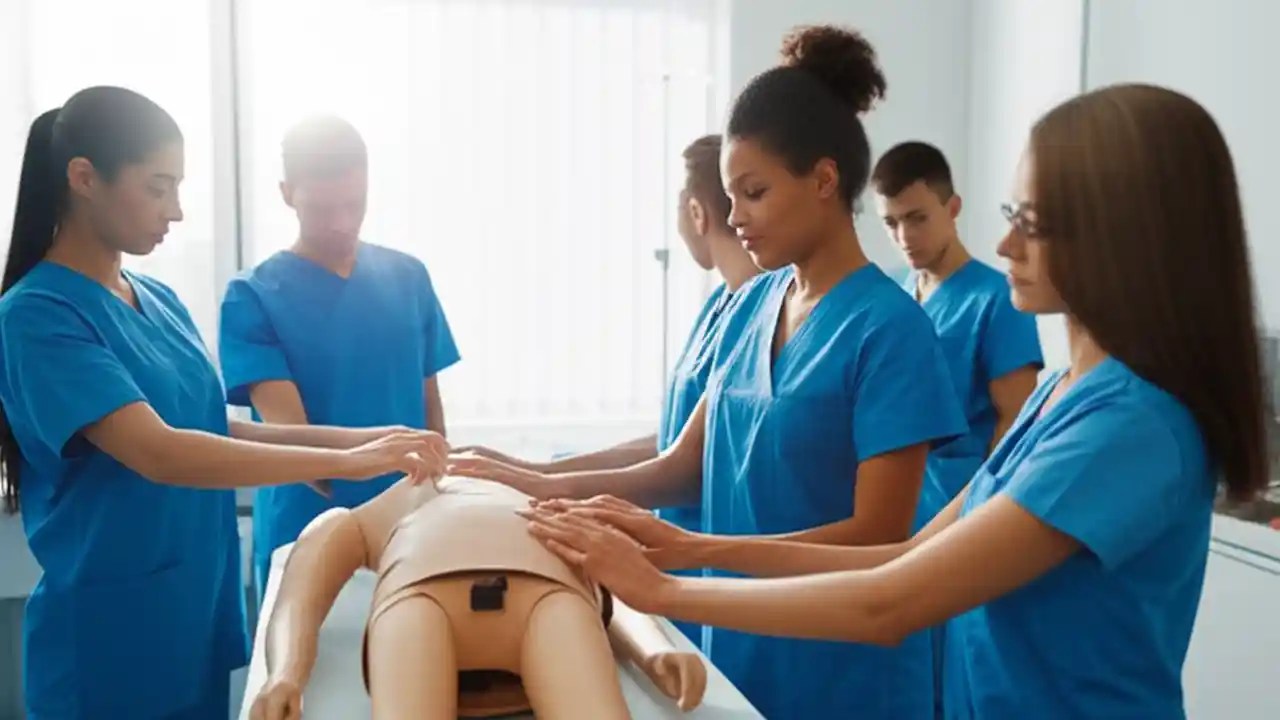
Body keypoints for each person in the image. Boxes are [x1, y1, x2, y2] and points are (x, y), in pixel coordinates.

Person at [519, 83, 1271, 720]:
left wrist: (663, 587)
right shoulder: (1062, 398)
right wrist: (689, 550)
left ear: (1125, 236)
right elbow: (912, 551)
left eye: (1033, 225)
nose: (1005, 247)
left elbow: (893, 603)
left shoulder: (1128, 426)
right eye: (1013, 218)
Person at [450, 25, 968, 720]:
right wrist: (538, 481)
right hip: (740, 647)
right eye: (729, 197)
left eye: (753, 192)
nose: (734, 218)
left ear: (823, 180)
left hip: (843, 667)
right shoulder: (752, 303)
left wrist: (696, 548)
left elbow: (879, 537)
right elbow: (684, 464)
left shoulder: (890, 330)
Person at [0, 87, 446, 719]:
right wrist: (345, 465)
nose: (176, 211)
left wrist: (368, 443)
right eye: (157, 188)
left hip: (191, 622)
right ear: (83, 179)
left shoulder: (157, 299)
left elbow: (219, 429)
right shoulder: (37, 316)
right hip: (107, 639)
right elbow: (160, 452)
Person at [455, 133, 759, 643]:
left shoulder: (762, 315)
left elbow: (686, 468)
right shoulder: (721, 309)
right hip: (686, 572)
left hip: (720, 568)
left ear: (697, 213)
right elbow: (676, 441)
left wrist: (541, 481)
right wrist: (533, 471)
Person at [219, 115, 461, 598]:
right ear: (287, 193)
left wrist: (435, 496)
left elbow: (429, 408)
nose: (341, 223)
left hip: (413, 527)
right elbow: (296, 446)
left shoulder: (408, 277)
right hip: (309, 530)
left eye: (355, 204)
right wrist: (372, 515)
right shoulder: (253, 296)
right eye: (322, 208)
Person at [248, 473, 707, 720]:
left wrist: (655, 651)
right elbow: (306, 575)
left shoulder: (533, 498)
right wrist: (285, 674)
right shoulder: (398, 499)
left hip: (499, 596)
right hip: (504, 595)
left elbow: (606, 569)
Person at [872, 141, 1042, 523]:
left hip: (957, 508)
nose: (904, 236)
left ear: (952, 208)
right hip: (888, 506)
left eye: (917, 218)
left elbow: (1014, 424)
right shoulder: (888, 293)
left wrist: (981, 512)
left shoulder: (998, 298)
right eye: (891, 222)